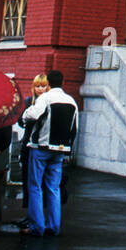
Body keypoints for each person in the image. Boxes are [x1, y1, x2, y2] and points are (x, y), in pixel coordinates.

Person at [21, 70, 78, 238]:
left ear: (49, 83)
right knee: (54, 187)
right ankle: (54, 226)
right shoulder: (71, 101)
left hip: (41, 147)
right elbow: (75, 128)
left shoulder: (45, 98)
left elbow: (33, 114)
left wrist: (24, 116)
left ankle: (37, 226)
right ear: (63, 82)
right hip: (60, 150)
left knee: (35, 186)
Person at [17, 73, 49, 227]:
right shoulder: (29, 102)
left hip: (40, 146)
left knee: (39, 182)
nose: (40, 89)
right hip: (27, 145)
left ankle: (37, 216)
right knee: (27, 181)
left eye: (43, 86)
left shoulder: (48, 104)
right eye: (38, 86)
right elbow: (20, 121)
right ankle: (30, 214)